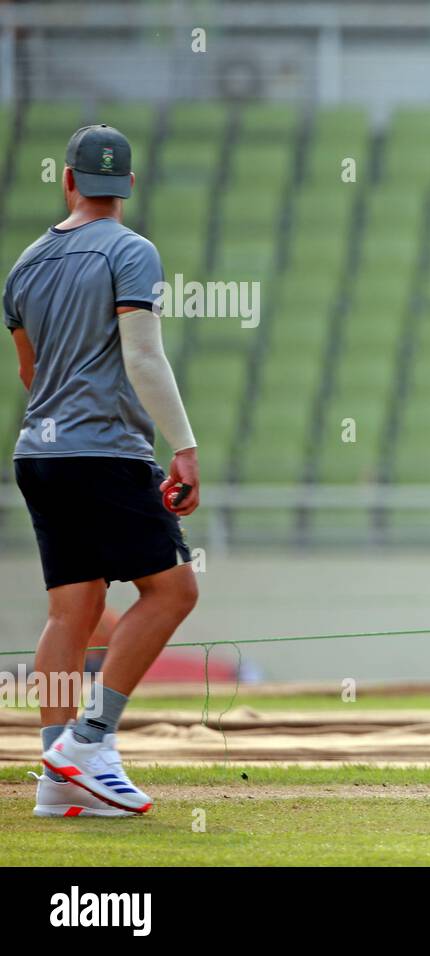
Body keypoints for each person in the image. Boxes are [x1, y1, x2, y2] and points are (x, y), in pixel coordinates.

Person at [4, 124, 201, 816]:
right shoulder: (132, 251)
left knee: (71, 610)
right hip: (105, 451)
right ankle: (89, 740)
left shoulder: (24, 267)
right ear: (129, 188)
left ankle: (56, 781)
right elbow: (143, 356)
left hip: (39, 454)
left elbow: (30, 373)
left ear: (67, 180)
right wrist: (183, 444)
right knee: (174, 592)